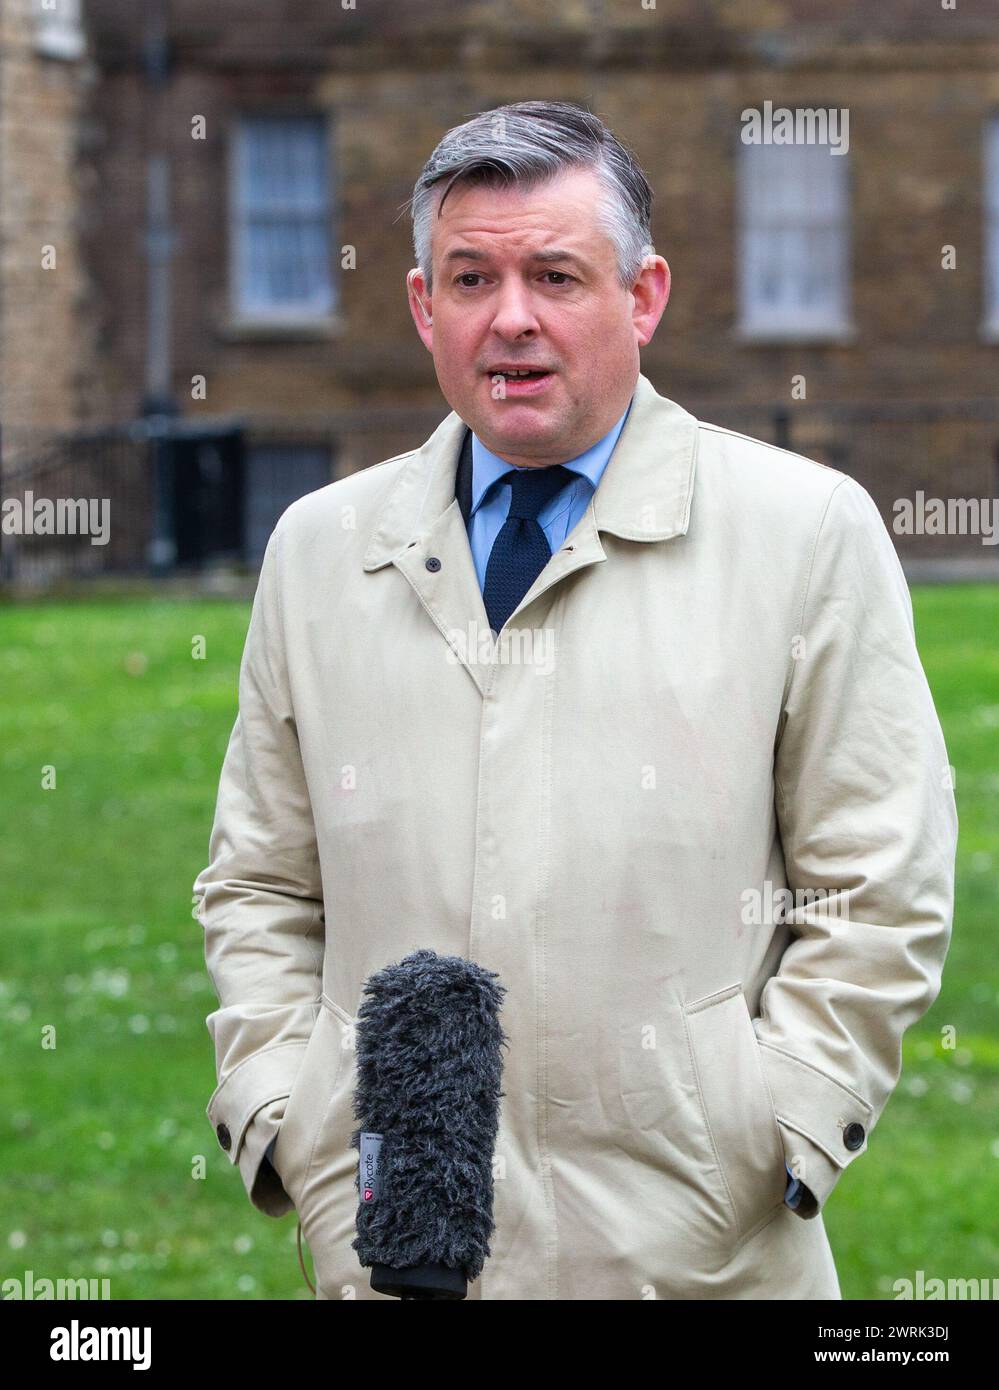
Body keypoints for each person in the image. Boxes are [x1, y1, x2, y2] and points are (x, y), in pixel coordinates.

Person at [195, 100, 958, 1300]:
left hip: (705, 1261)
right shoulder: (317, 548)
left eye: (556, 275)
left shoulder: (804, 530)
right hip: (395, 1261)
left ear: (644, 296)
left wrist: (778, 1127)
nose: (512, 319)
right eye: (471, 277)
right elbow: (258, 880)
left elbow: (878, 880)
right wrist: (287, 1109)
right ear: (420, 306)